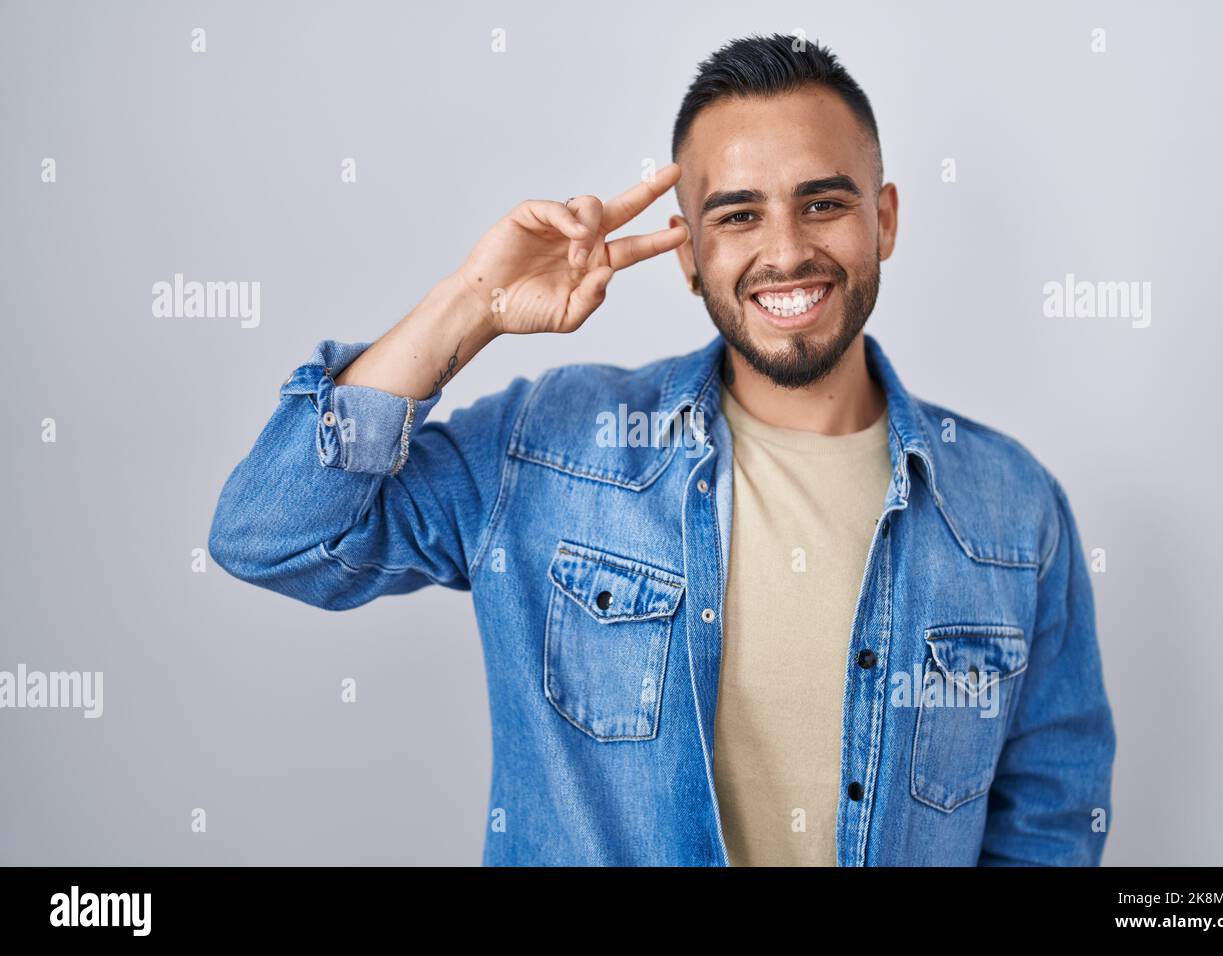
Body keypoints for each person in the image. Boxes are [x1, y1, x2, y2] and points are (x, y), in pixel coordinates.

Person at [209, 33, 1116, 866]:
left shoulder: (1011, 508)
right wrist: (470, 306)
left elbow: (1047, 821)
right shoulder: (553, 448)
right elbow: (270, 536)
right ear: (686, 254)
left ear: (883, 218)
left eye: (824, 203)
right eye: (737, 216)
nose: (788, 250)